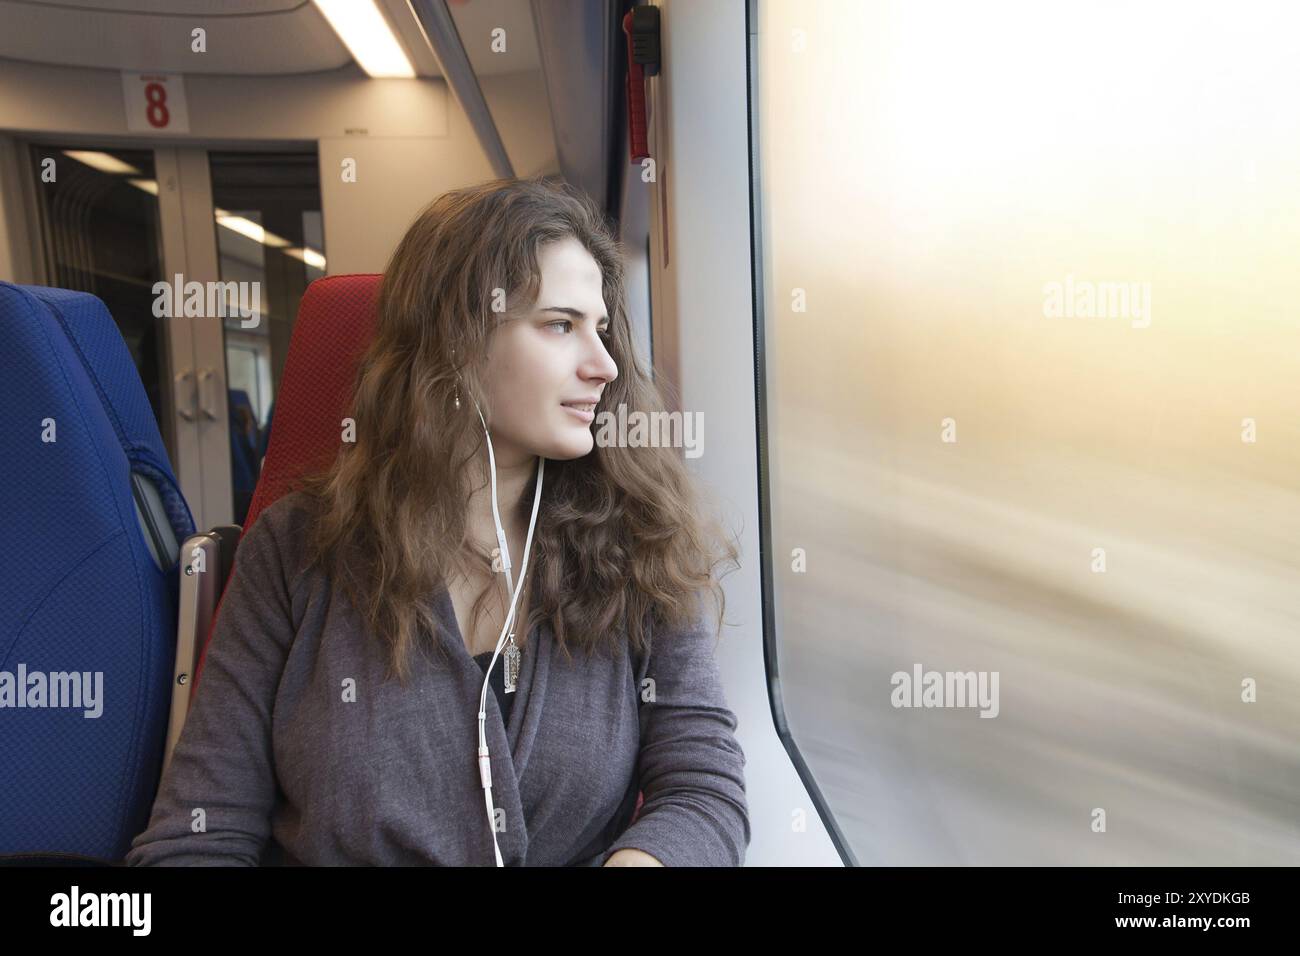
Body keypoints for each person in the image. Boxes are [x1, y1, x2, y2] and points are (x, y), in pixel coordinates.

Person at [125, 177, 749, 867]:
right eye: (560, 324)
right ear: (456, 340)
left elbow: (702, 787)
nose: (603, 365)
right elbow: (197, 839)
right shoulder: (295, 552)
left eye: (600, 329)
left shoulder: (639, 540)